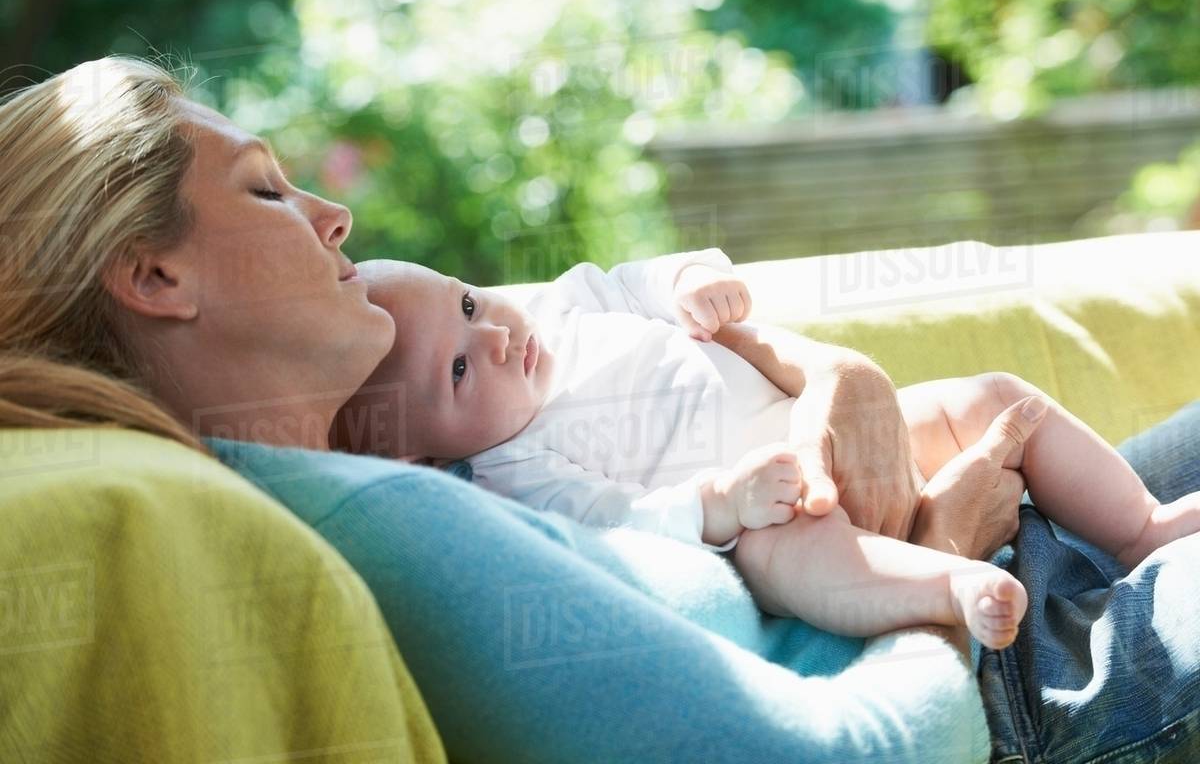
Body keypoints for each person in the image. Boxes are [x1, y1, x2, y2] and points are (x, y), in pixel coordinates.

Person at [2, 57, 1198, 762]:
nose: (333, 215)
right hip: (1024, 684)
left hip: (1012, 575)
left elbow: (588, 328)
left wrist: (836, 376)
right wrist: (940, 556)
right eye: (266, 188)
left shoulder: (407, 433)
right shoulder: (377, 518)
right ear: (156, 276)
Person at [335, 255, 1200, 650]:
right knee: (787, 555)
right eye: (455, 370)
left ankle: (1138, 529)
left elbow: (643, 279)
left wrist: (688, 287)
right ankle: (949, 587)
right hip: (779, 506)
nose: (488, 339)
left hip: (830, 430)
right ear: (419, 458)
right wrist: (723, 504)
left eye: (469, 305)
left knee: (997, 398)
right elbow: (622, 521)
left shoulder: (565, 307)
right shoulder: (514, 475)